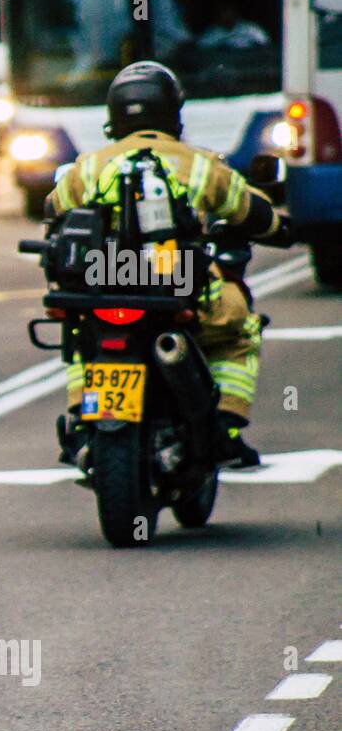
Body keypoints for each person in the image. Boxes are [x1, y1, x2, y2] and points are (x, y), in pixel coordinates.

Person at [47, 61, 288, 468]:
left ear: (114, 117)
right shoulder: (199, 165)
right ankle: (226, 428)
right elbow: (251, 211)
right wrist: (280, 226)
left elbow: (53, 210)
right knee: (238, 325)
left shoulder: (88, 166)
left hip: (101, 288)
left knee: (80, 334)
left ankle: (82, 420)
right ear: (173, 114)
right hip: (178, 289)